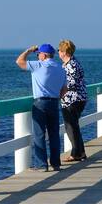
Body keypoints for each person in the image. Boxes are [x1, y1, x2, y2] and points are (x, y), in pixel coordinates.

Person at [16, 43, 64, 171]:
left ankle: (41, 164)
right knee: (54, 135)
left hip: (40, 103)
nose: (37, 56)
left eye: (38, 54)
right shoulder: (60, 68)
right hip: (54, 103)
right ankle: (56, 163)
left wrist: (29, 49)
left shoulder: (38, 65)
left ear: (43, 55)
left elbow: (19, 61)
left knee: (39, 134)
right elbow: (65, 89)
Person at [57, 39, 88, 164]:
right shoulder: (71, 63)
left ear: (64, 52)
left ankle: (76, 154)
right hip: (76, 98)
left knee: (70, 127)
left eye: (59, 50)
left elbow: (71, 83)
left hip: (73, 99)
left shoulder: (71, 65)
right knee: (74, 126)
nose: (58, 52)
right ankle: (81, 152)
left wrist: (59, 93)